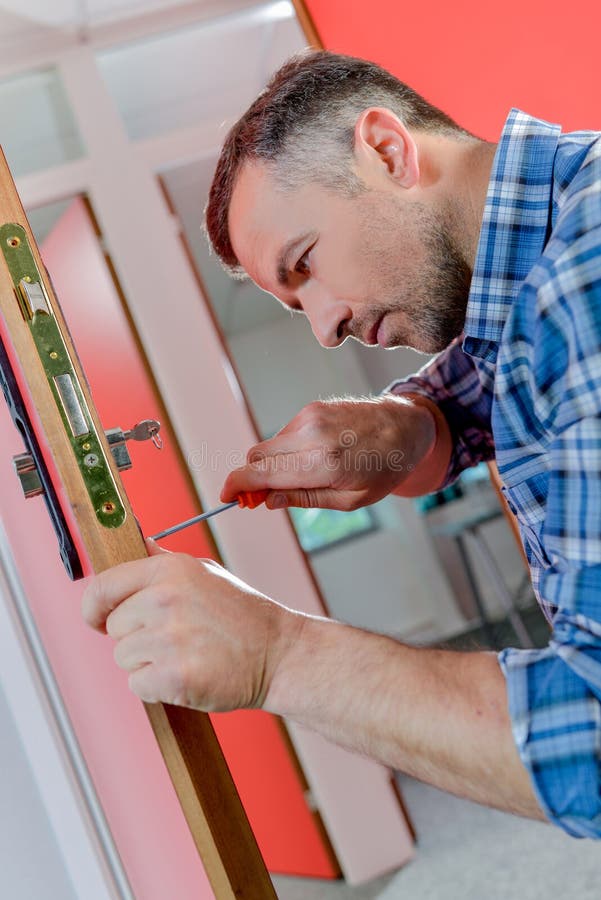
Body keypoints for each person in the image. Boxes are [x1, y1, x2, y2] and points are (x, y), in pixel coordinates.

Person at [82, 50, 601, 839]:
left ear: (388, 151)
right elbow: (503, 378)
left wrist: (278, 654)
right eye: (297, 305)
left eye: (307, 265)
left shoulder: (580, 278)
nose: (325, 327)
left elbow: (591, 736)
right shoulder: (552, 252)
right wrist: (411, 425)